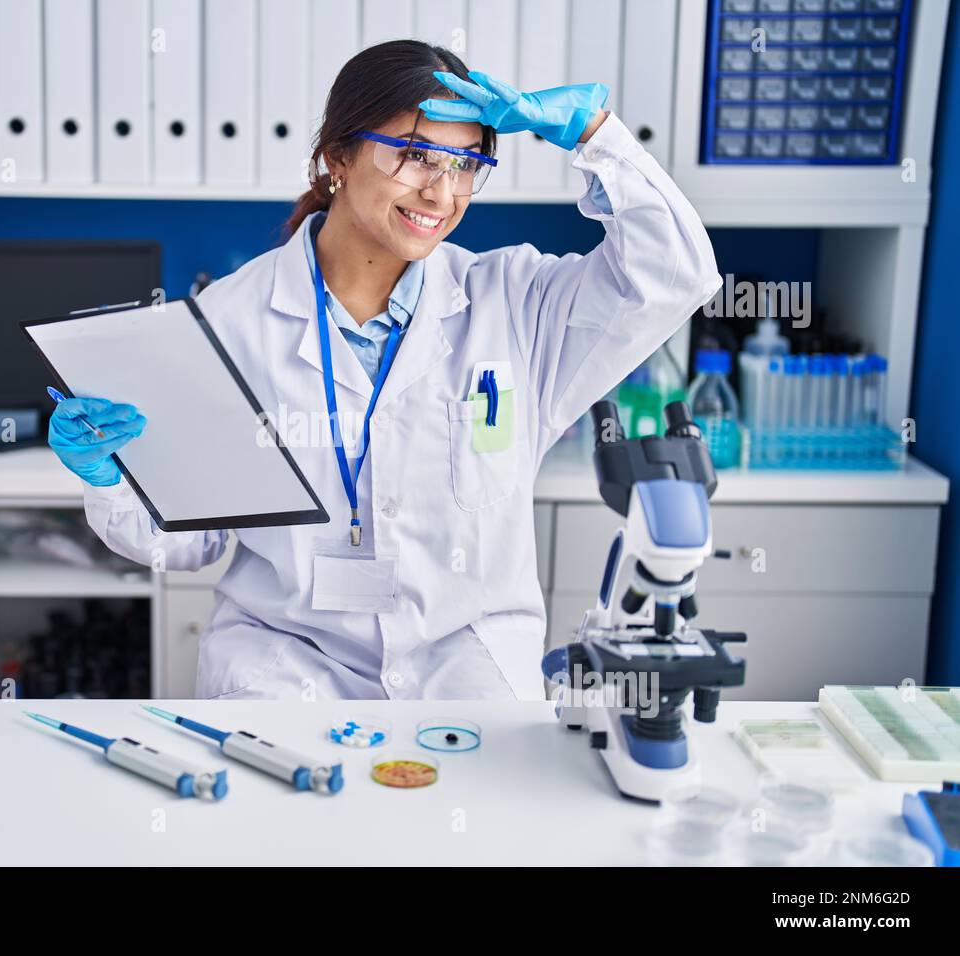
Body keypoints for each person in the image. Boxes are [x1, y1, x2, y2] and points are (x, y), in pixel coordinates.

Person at [49, 40, 721, 700]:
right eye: (412, 156)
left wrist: (595, 137)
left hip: (466, 663)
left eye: (466, 165)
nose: (442, 190)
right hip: (284, 664)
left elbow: (677, 274)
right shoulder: (229, 320)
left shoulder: (515, 304)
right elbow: (189, 545)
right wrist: (115, 480)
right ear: (336, 156)